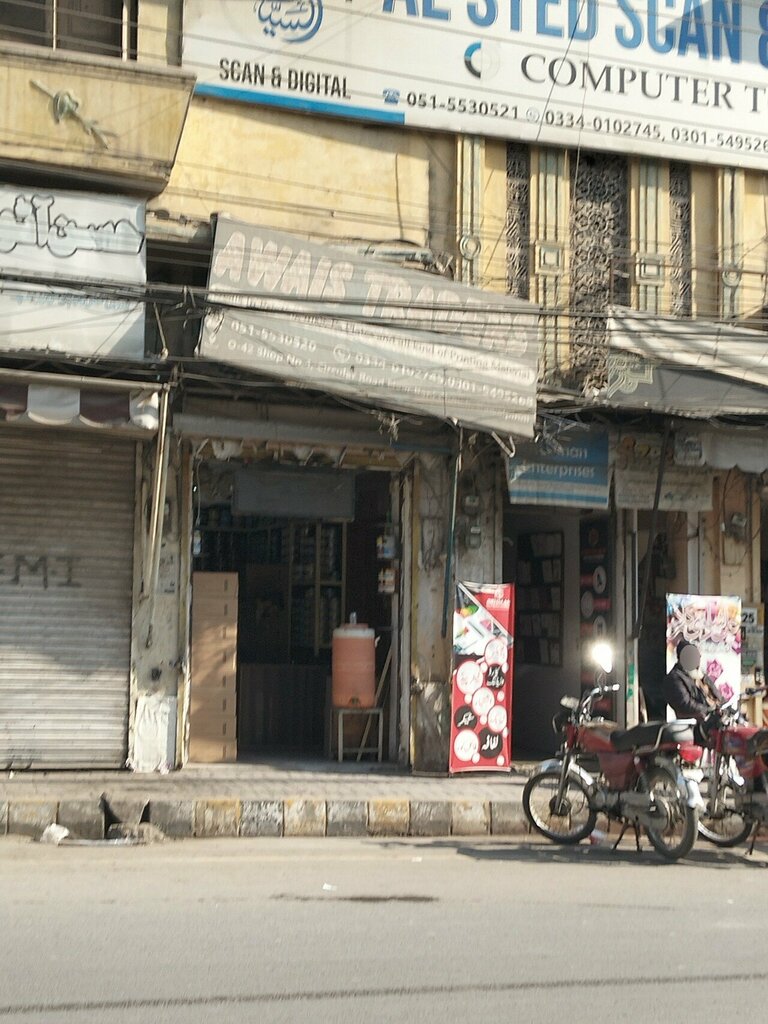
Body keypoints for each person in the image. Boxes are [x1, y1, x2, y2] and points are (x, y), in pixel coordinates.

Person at [663, 640, 716, 723]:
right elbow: (685, 704)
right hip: (691, 724)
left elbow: (717, 695)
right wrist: (708, 709)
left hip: (712, 719)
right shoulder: (674, 678)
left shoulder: (700, 675)